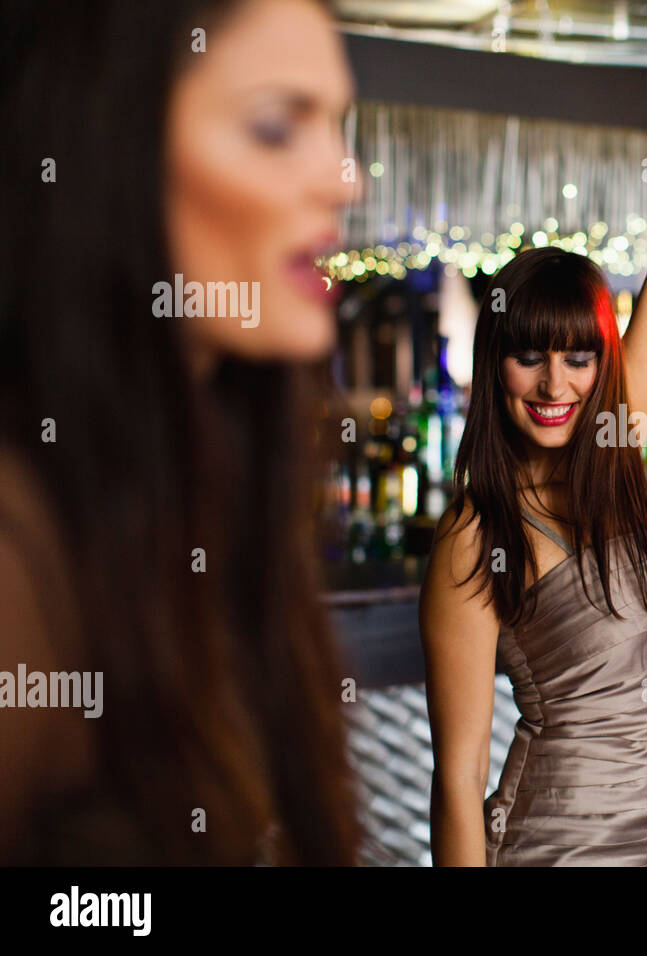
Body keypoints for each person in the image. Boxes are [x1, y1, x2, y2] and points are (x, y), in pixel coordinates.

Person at [0, 0, 360, 863]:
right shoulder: (18, 552)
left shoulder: (207, 497)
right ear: (104, 147)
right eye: (277, 127)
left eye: (338, 127)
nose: (344, 178)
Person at [419, 0, 647, 866]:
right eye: (531, 357)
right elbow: (455, 783)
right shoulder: (474, 537)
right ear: (497, 366)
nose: (555, 384)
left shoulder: (613, 443)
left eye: (576, 358)